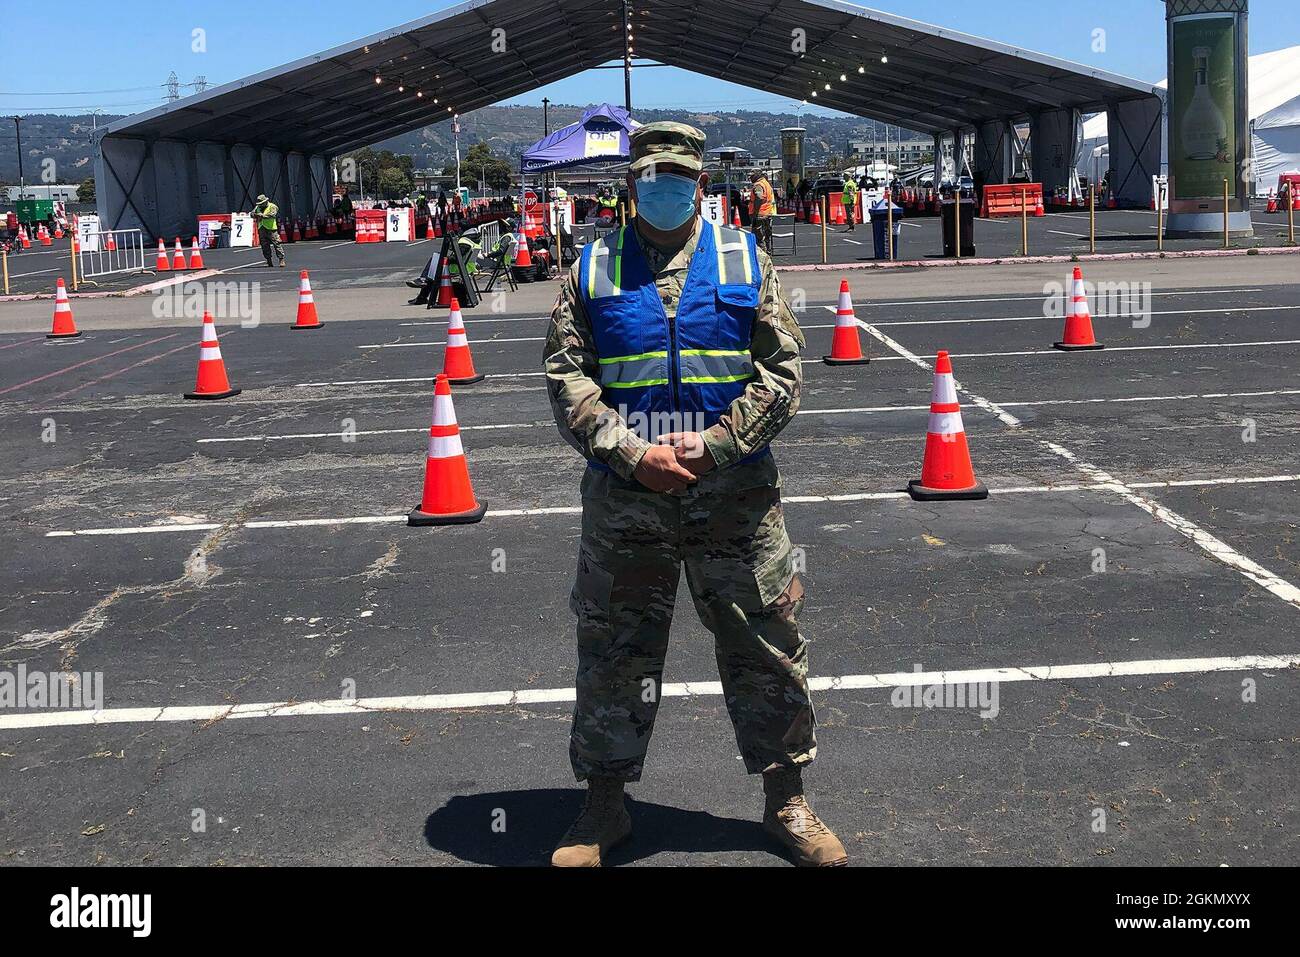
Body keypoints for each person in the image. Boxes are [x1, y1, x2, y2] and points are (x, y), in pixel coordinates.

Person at [543, 121, 847, 868]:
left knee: (766, 645)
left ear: (702, 186)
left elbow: (784, 375)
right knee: (615, 650)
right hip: (628, 498)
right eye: (653, 176)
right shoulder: (593, 270)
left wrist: (715, 446)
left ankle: (786, 799)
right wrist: (630, 452)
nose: (667, 187)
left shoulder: (746, 260)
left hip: (734, 499)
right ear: (630, 185)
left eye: (680, 176)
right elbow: (566, 377)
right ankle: (604, 803)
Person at [251, 193, 285, 268]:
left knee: (277, 243)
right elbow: (252, 214)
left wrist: (261, 215)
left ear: (266, 201)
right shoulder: (258, 207)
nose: (261, 205)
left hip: (271, 229)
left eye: (262, 203)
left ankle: (281, 259)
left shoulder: (272, 206)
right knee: (264, 245)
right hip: (261, 228)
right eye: (260, 204)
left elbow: (272, 214)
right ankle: (268, 260)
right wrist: (256, 214)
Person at [749, 170, 777, 255]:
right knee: (767, 236)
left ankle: (762, 255)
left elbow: (759, 197)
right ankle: (768, 252)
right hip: (767, 212)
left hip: (760, 214)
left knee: (758, 237)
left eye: (751, 176)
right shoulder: (766, 183)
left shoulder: (758, 185)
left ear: (757, 175)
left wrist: (756, 211)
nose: (750, 178)